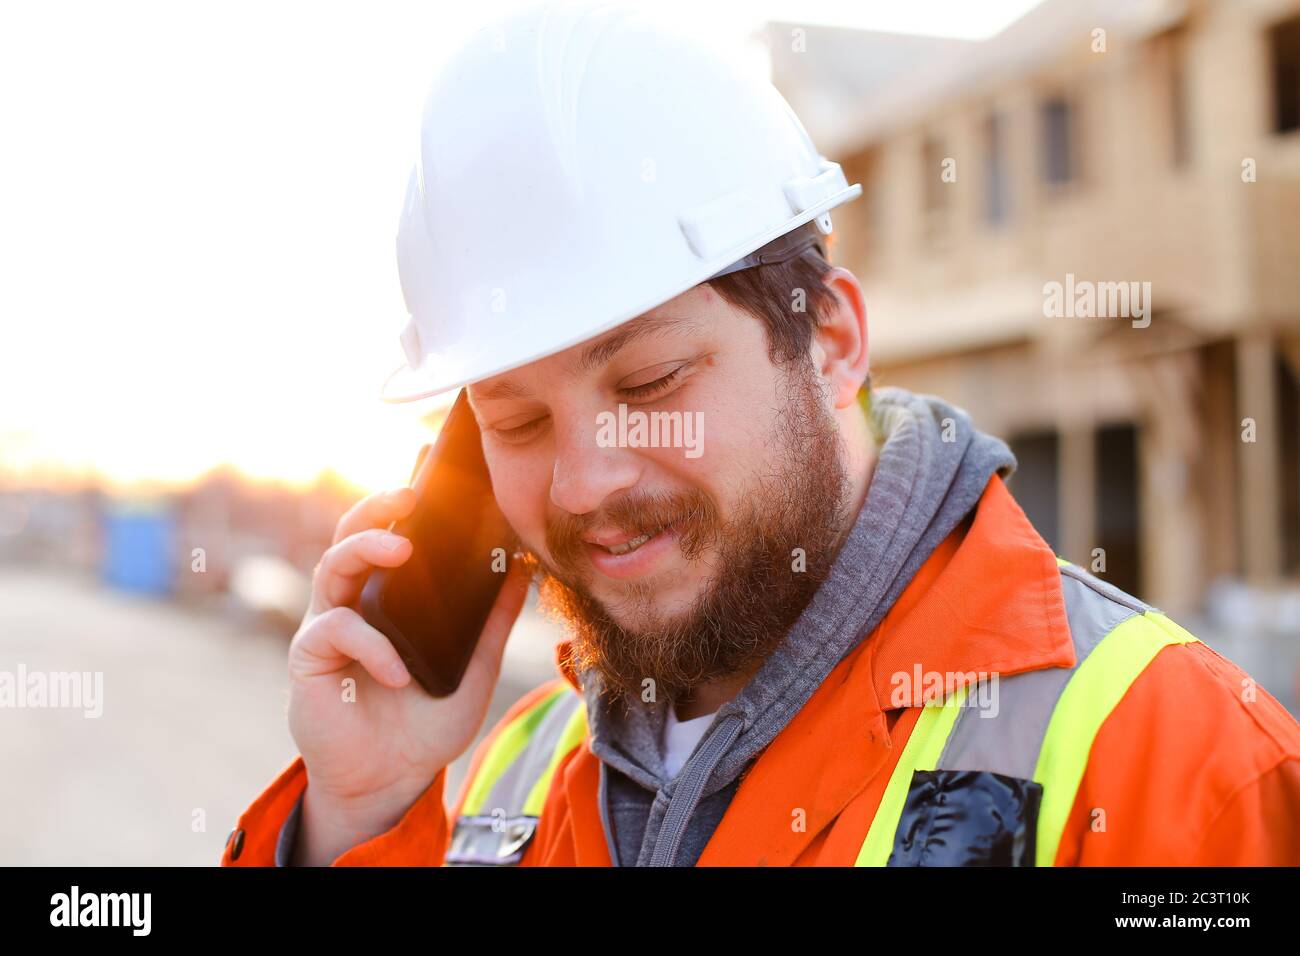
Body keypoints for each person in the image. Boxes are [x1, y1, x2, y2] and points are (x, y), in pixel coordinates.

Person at [221, 0, 1300, 867]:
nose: (587, 481)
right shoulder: (515, 769)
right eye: (517, 417)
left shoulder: (1182, 765)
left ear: (829, 340)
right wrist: (356, 818)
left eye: (650, 379)